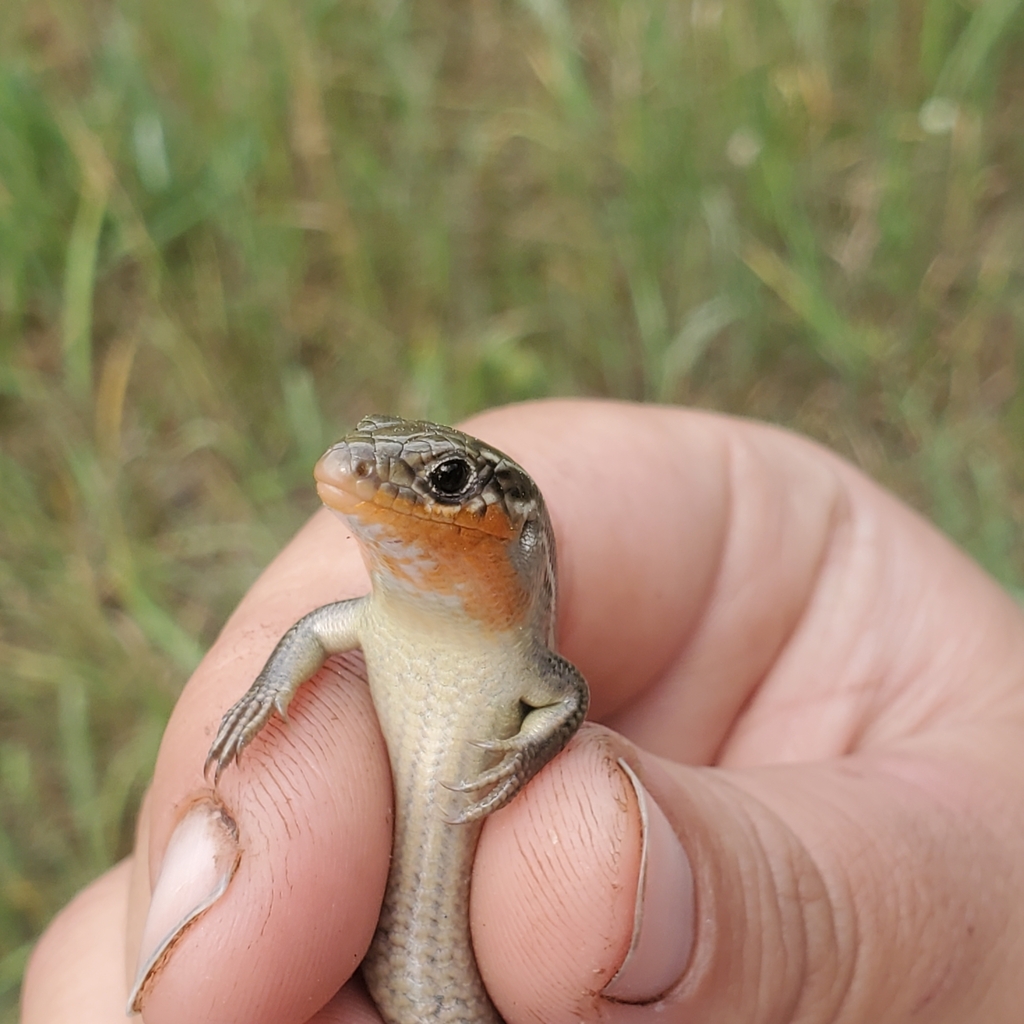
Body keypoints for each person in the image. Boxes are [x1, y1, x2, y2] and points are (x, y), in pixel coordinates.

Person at [21, 400, 1024, 1024]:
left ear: (517, 525)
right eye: (370, 454)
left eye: (445, 481)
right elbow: (313, 636)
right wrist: (267, 692)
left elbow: (564, 696)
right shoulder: (374, 618)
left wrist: (529, 753)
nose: (366, 474)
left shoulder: (519, 660)